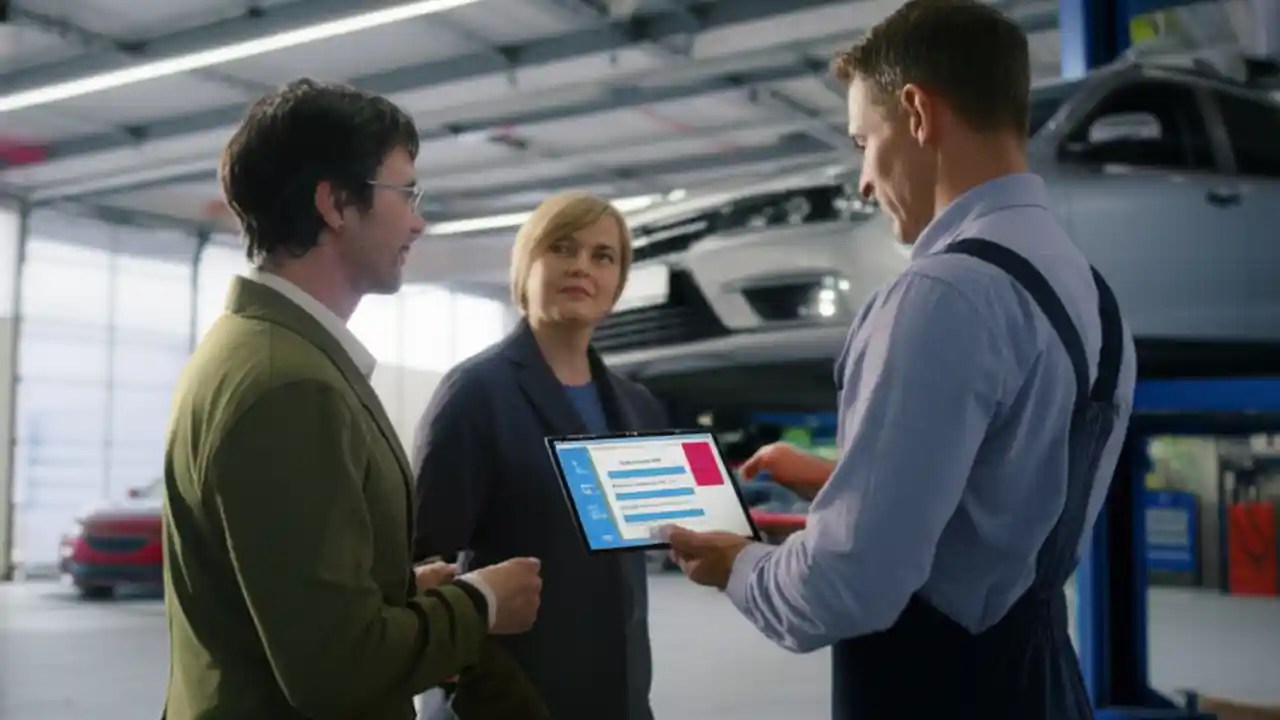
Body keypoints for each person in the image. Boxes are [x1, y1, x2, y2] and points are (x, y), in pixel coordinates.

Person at [662, 1, 1138, 718]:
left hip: (936, 695)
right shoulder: (1093, 295)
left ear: (916, 112)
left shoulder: (940, 295)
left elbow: (846, 588)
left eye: (862, 141)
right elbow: (1003, 511)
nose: (861, 180)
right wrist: (839, 485)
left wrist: (736, 564)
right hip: (1040, 685)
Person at [161, 78, 545, 720]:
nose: (419, 221)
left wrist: (394, 594)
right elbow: (337, 670)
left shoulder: (255, 350)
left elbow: (280, 603)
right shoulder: (292, 386)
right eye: (407, 192)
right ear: (336, 204)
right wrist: (480, 603)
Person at [412, 190, 667, 720]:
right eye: (563, 248)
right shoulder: (475, 394)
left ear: (618, 284)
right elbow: (422, 563)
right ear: (526, 267)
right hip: (503, 696)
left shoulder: (635, 406)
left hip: (616, 695)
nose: (582, 267)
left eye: (603, 256)